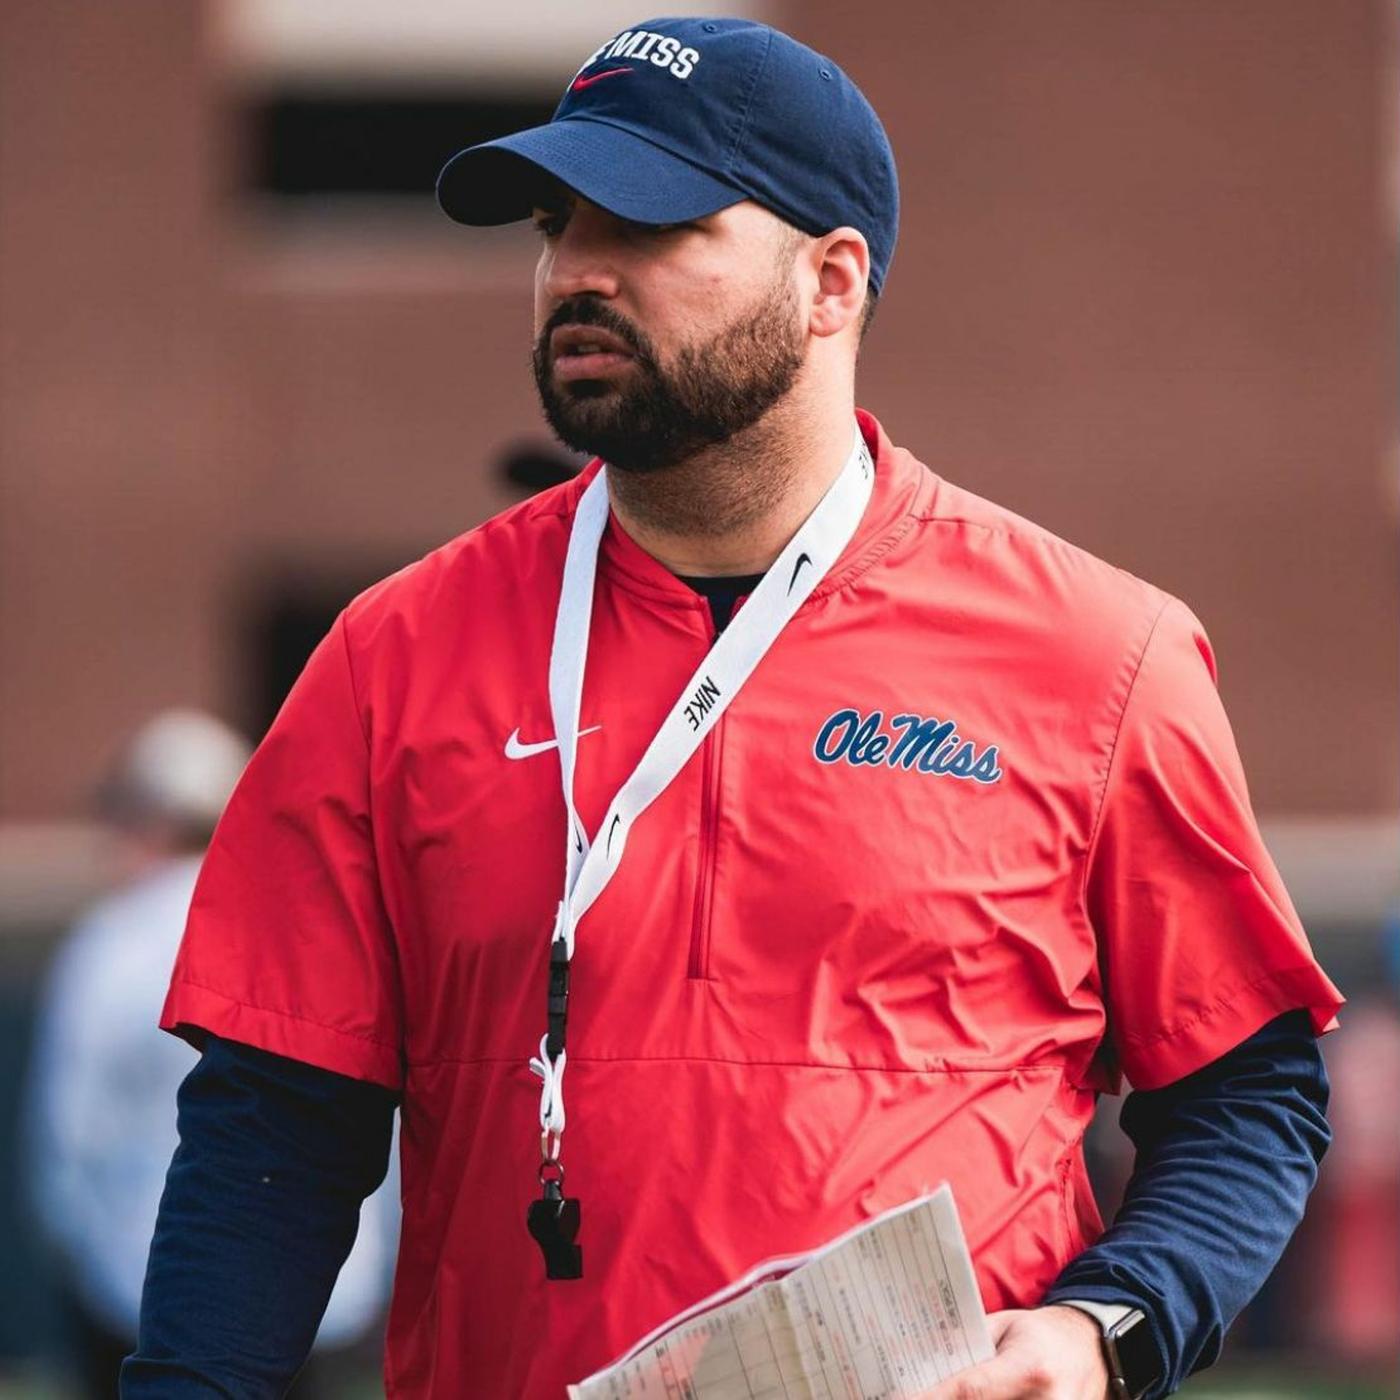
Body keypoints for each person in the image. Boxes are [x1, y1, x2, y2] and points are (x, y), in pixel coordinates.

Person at [123, 18, 1343, 1400]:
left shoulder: (1099, 653)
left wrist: (1101, 1329)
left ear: (831, 282)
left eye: (648, 225)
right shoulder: (390, 655)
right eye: (557, 225)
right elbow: (271, 1130)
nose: (578, 271)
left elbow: (1246, 1094)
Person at [23, 710, 399, 1398]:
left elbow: (65, 1136)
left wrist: (79, 1253)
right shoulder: (323, 924)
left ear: (152, 822)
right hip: (330, 1295)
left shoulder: (109, 942)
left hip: (150, 1294)